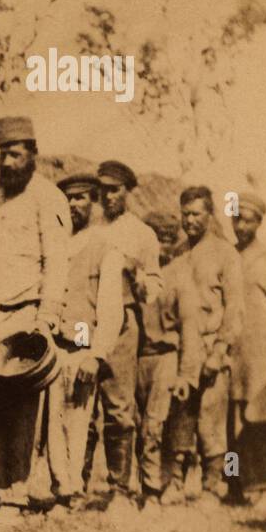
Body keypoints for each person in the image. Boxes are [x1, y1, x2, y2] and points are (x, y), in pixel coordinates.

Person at [0, 116, 70, 527]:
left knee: (19, 410)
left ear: (32, 154)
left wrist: (47, 317)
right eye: (3, 153)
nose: (8, 161)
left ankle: (14, 501)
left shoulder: (48, 199)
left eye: (16, 154)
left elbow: (56, 261)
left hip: (27, 314)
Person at [89, 160, 162, 506]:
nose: (108, 196)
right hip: (87, 321)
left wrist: (141, 279)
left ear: (128, 192)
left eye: (114, 190)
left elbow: (154, 284)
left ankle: (119, 488)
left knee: (118, 407)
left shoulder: (141, 233)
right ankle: (75, 486)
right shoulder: (92, 226)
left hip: (122, 322)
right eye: (103, 190)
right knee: (84, 406)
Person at [167, 185, 243, 503]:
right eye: (185, 214)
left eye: (196, 213)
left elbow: (235, 307)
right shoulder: (179, 252)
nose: (190, 220)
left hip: (213, 347)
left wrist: (220, 350)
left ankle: (215, 485)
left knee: (211, 418)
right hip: (185, 347)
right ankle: (177, 481)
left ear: (210, 215)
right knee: (181, 414)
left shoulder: (226, 253)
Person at [52, 173, 123, 511]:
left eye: (80, 198)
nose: (73, 204)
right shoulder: (57, 245)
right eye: (68, 198)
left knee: (77, 420)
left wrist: (93, 354)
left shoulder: (104, 248)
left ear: (93, 202)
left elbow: (110, 309)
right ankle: (58, 487)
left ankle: (72, 490)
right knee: (51, 421)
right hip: (51, 346)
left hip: (80, 345)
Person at [134, 212, 201, 508]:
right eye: (156, 239)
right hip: (139, 357)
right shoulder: (137, 276)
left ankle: (154, 489)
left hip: (166, 357)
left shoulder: (180, 277)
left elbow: (190, 328)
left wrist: (187, 374)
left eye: (167, 240)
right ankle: (142, 482)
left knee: (156, 424)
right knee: (136, 423)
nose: (161, 247)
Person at [228, 192, 266, 508]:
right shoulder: (229, 256)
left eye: (246, 220)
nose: (240, 226)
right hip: (232, 357)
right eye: (236, 218)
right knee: (231, 430)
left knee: (264, 426)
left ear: (259, 222)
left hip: (262, 357)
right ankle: (234, 484)